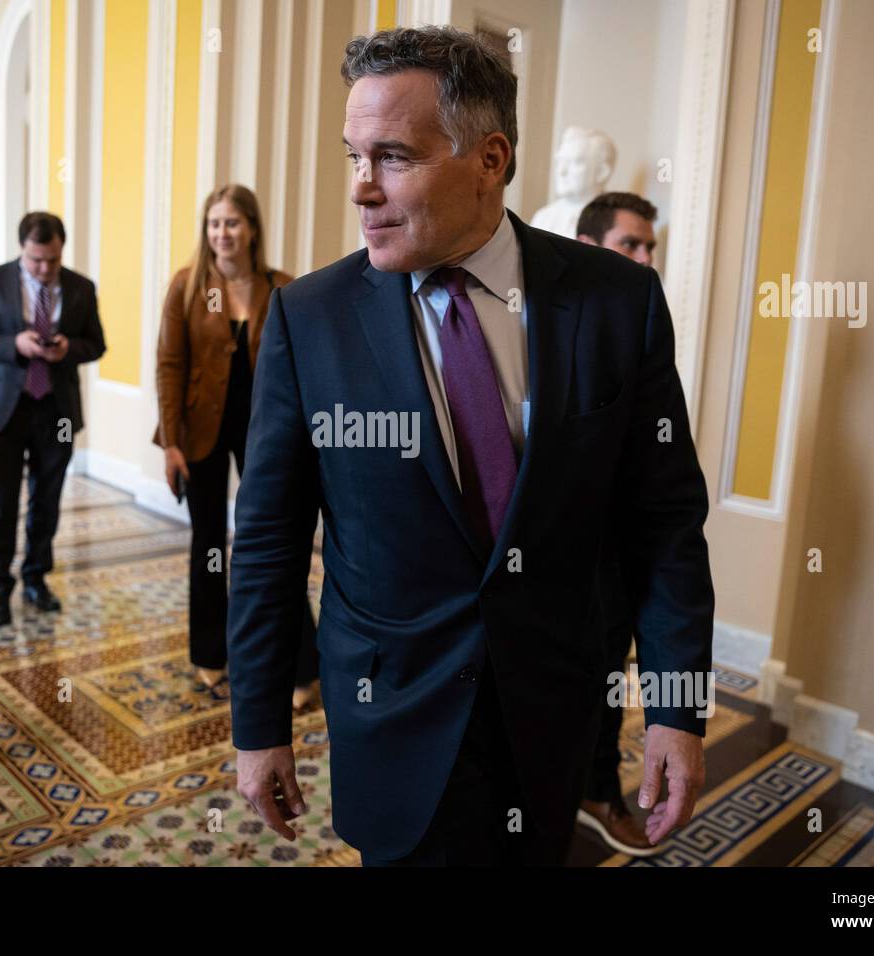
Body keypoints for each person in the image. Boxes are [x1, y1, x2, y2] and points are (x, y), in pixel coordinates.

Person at [228, 26, 714, 866]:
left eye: (392, 157)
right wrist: (259, 724)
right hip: (391, 712)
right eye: (353, 156)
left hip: (552, 711)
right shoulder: (310, 321)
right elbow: (268, 540)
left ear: (491, 159)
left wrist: (674, 703)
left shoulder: (616, 303)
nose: (360, 189)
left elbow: (664, 520)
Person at [154, 184, 320, 708]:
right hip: (201, 431)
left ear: (251, 228)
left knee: (276, 542)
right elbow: (169, 365)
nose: (221, 233)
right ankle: (210, 651)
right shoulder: (187, 286)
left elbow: (303, 368)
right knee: (207, 543)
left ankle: (301, 665)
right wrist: (171, 442)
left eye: (231, 223)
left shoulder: (282, 288)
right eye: (213, 224)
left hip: (268, 434)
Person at [0, 213, 106, 628]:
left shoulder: (81, 287)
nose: (44, 269)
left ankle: (36, 579)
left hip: (56, 410)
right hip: (3, 408)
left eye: (52, 260)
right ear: (23, 249)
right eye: (37, 260)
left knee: (46, 503)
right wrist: (13, 344)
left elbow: (97, 344)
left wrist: (68, 347)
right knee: (0, 505)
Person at [573, 191, 663, 857]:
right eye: (630, 244)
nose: (645, 258)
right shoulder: (538, 324)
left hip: (617, 545)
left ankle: (597, 791)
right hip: (549, 552)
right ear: (588, 246)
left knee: (609, 674)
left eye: (650, 247)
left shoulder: (641, 320)